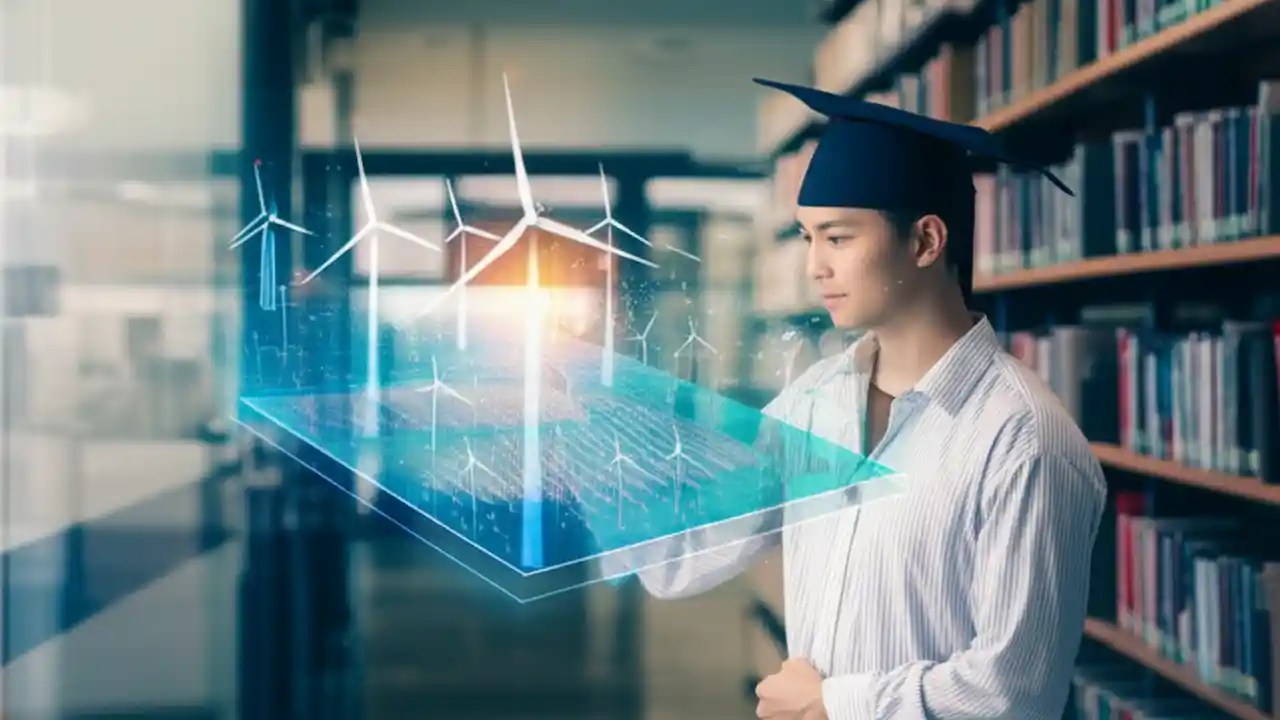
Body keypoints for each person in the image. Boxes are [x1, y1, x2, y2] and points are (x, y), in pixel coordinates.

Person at [614, 79, 1107, 720]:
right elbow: (684, 556)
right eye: (807, 237)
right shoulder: (814, 402)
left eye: (839, 238)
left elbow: (1016, 690)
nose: (814, 266)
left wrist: (834, 704)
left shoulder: (1024, 439)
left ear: (927, 242)